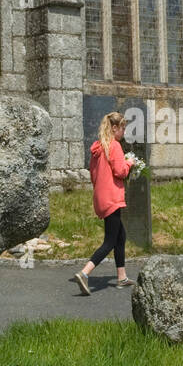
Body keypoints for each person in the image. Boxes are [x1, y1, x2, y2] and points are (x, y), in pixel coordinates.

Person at [71, 112, 134, 295]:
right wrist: (130, 163)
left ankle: (121, 277)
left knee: (120, 236)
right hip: (112, 197)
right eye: (122, 128)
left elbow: (92, 174)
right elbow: (121, 171)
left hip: (100, 196)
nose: (123, 132)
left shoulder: (98, 148)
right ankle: (84, 273)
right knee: (110, 241)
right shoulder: (114, 146)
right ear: (114, 128)